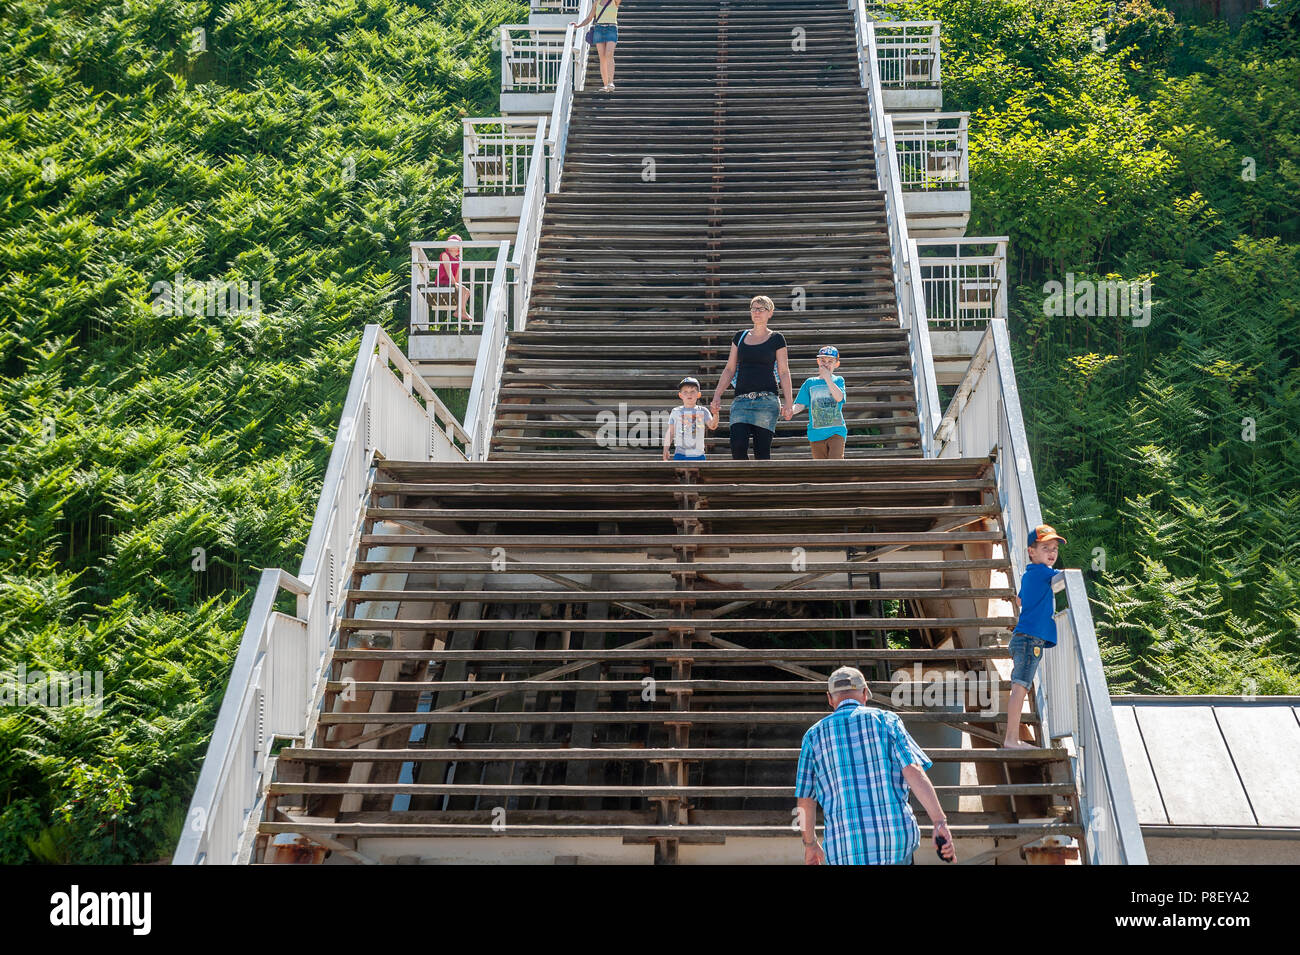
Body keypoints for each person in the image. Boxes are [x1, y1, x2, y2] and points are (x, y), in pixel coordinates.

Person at [795, 667, 956, 865]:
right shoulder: (887, 721)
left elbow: (805, 800)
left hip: (845, 849)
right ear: (864, 693)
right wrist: (939, 821)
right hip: (895, 843)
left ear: (830, 698)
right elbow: (913, 771)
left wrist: (810, 844)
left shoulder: (813, 736)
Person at [1004, 525, 1067, 748]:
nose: (1052, 552)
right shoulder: (1043, 572)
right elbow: (1064, 577)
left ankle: (1012, 738)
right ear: (1031, 551)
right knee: (1019, 688)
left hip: (1023, 638)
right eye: (1045, 548)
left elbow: (1020, 600)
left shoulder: (1029, 574)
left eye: (1055, 548)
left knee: (1020, 687)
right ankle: (1011, 739)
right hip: (1030, 640)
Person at [709, 295, 793, 460]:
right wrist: (717, 394)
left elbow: (784, 372)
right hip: (741, 401)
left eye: (761, 309)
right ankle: (743, 478)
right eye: (754, 308)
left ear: (770, 313)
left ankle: (760, 478)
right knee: (737, 447)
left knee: (762, 453)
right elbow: (729, 369)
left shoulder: (777, 338)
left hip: (767, 401)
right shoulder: (739, 337)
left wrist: (789, 403)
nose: (757, 312)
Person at [791, 345, 848, 459]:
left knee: (836, 463)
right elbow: (800, 404)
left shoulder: (839, 380)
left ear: (836, 364)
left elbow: (839, 398)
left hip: (836, 431)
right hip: (816, 433)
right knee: (820, 466)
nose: (826, 364)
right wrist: (790, 410)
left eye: (830, 361)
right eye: (823, 360)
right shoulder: (810, 383)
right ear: (818, 361)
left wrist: (828, 378)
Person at [662, 376, 717, 461]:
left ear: (698, 394)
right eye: (685, 392)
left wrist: (716, 413)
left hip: (698, 453)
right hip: (680, 453)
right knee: (680, 470)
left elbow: (712, 426)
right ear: (680, 395)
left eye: (692, 391)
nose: (689, 394)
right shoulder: (676, 411)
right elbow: (670, 432)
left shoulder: (703, 410)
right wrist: (665, 449)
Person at [572, 0, 621, 92]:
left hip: (612, 28)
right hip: (599, 29)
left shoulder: (615, 1)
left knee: (609, 54)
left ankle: (611, 82)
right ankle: (605, 85)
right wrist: (578, 26)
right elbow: (589, 18)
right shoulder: (597, 2)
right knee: (602, 58)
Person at [436, 235, 472, 327]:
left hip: (451, 283)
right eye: (450, 243)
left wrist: (456, 284)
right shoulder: (445, 255)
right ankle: (463, 312)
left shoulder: (458, 259)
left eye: (454, 243)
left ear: (458, 247)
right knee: (463, 289)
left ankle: (458, 311)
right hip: (442, 282)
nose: (451, 245)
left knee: (467, 291)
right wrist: (455, 284)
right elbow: (448, 271)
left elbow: (457, 277)